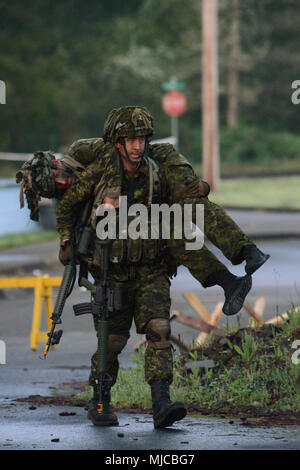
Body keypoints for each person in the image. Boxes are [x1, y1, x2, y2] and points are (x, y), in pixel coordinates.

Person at [56, 106, 269, 428]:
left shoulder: (156, 171)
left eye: (141, 139)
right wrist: (65, 241)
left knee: (159, 331)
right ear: (117, 142)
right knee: (112, 342)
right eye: (130, 140)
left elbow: (190, 200)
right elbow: (69, 204)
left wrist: (201, 188)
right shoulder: (100, 172)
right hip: (110, 273)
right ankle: (100, 399)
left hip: (151, 269)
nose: (137, 146)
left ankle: (161, 403)